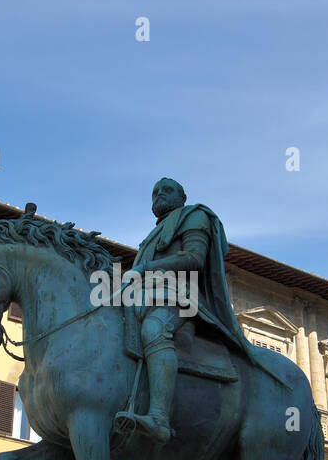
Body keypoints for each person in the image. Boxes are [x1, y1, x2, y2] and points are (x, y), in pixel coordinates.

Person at [118, 177, 284, 443]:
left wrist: (143, 270)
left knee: (154, 329)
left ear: (182, 197)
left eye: (167, 190)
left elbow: (194, 259)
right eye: (155, 192)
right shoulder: (151, 236)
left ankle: (159, 418)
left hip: (179, 298)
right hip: (144, 298)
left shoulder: (195, 216)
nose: (159, 194)